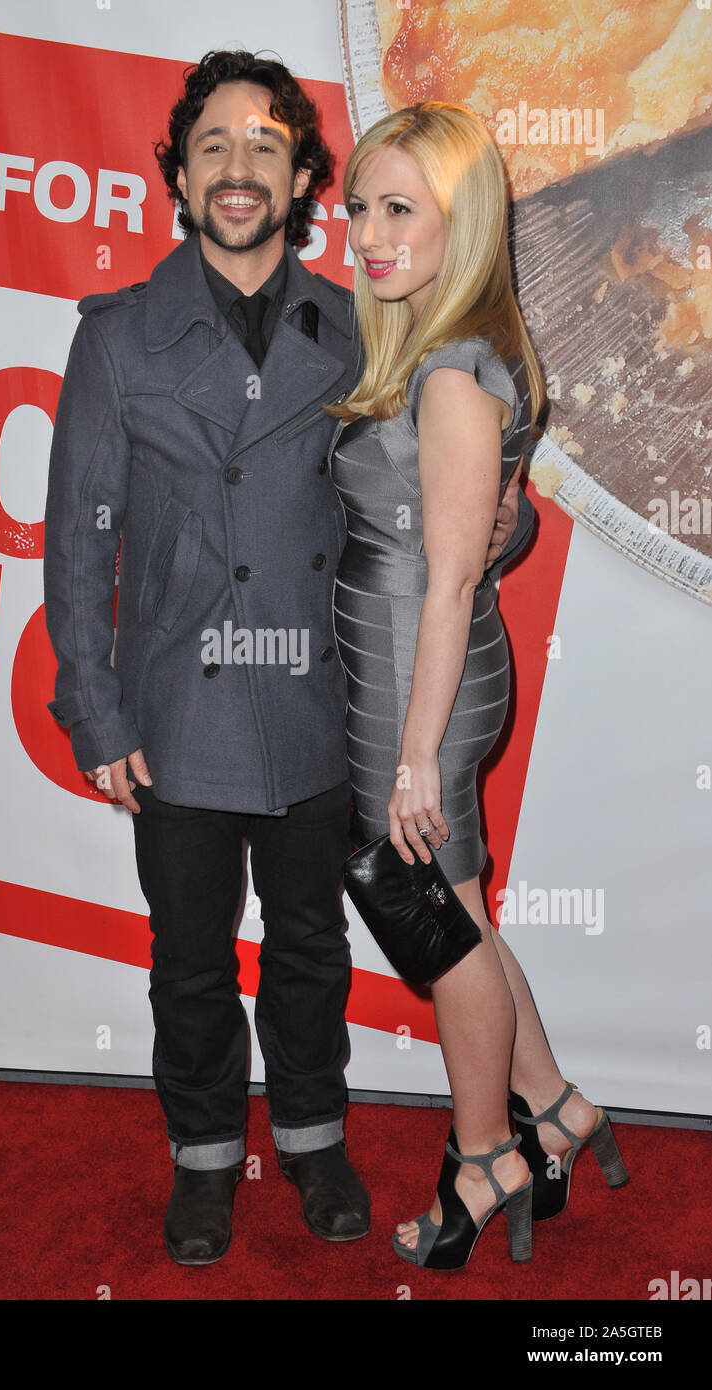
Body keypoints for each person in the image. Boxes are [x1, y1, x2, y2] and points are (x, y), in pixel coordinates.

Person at [43, 53, 530, 1266]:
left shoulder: (359, 325)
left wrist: (502, 519)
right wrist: (96, 715)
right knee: (190, 957)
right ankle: (205, 1158)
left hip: (323, 696)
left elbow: (428, 487)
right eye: (211, 146)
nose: (238, 167)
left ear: (304, 174)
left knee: (311, 944)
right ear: (178, 174)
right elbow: (73, 541)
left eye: (264, 145)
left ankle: (314, 1140)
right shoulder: (114, 340)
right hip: (175, 706)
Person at [326, 102, 628, 1269]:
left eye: (399, 209)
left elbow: (448, 581)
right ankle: (555, 1107)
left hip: (421, 685)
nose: (366, 234)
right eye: (359, 207)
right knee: (463, 918)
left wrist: (412, 756)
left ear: (464, 220)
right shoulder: (445, 343)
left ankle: (484, 1152)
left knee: (440, 931)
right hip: (417, 675)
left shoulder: (450, 370)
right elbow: (478, 532)